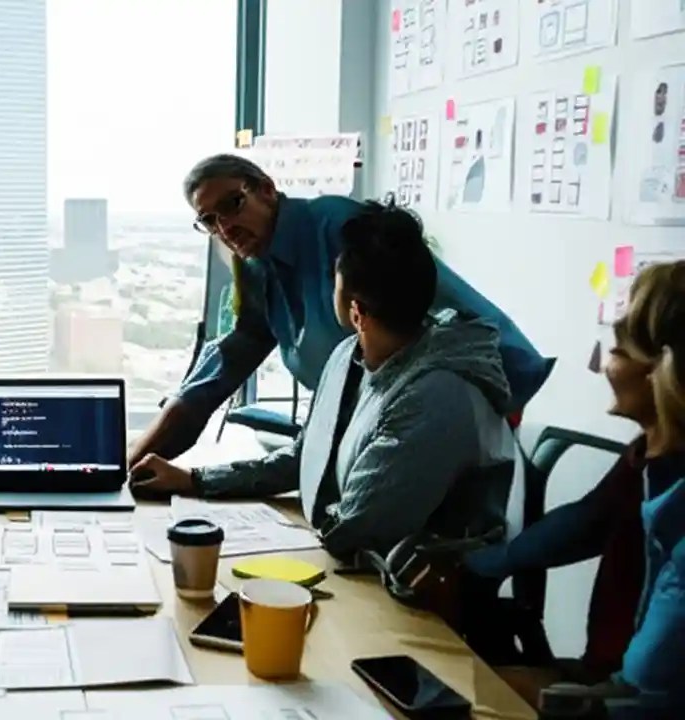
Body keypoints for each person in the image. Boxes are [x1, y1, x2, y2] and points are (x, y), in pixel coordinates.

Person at [130, 202, 515, 560]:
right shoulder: (349, 356)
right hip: (349, 560)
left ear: (356, 311)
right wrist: (194, 480)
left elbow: (356, 530)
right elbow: (304, 459)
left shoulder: (435, 397)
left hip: (415, 599)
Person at [128, 155, 554, 467]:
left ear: (266, 189)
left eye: (232, 205)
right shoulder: (259, 265)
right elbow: (230, 361)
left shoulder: (337, 227)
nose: (225, 228)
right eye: (209, 220)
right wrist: (133, 462)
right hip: (378, 422)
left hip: (457, 400)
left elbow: (427, 310)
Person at [464, 261, 685, 712]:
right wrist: (478, 566)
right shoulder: (650, 456)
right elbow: (588, 520)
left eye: (619, 348)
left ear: (663, 369)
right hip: (612, 681)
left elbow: (643, 700)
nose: (601, 363)